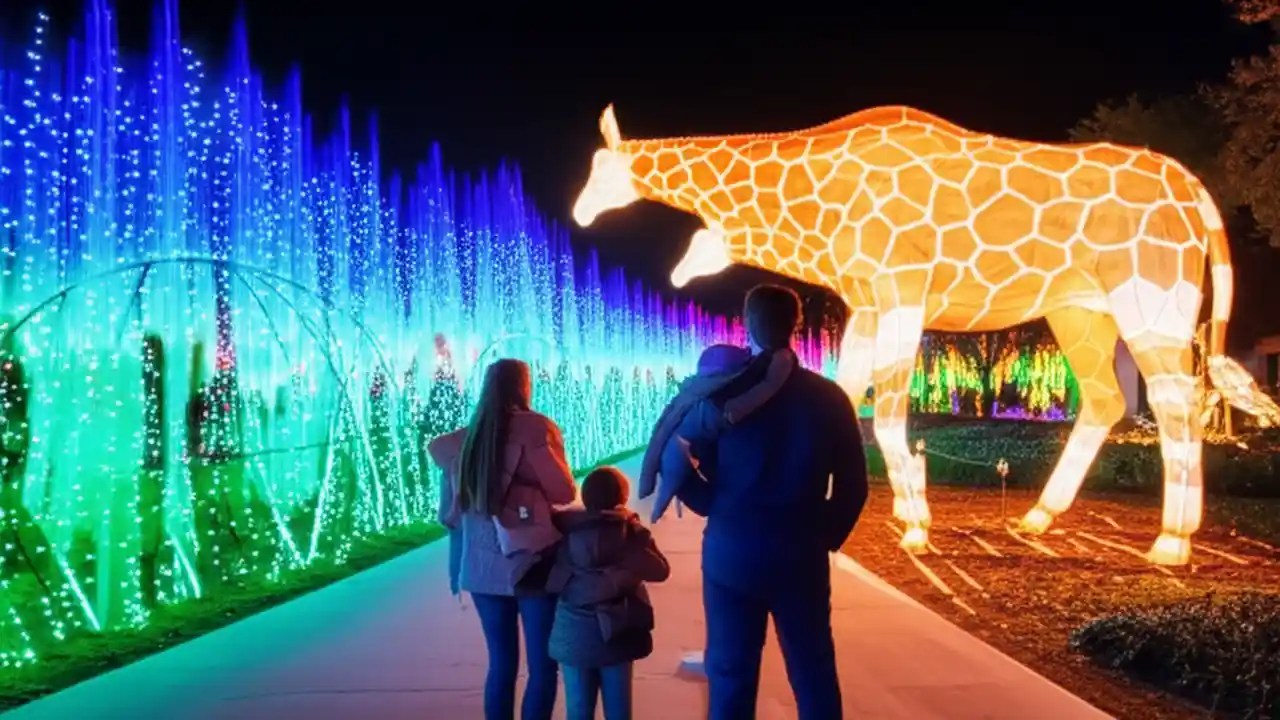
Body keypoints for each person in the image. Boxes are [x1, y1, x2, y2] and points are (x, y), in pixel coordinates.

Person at [661, 284, 869, 720]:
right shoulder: (830, 398)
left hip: (731, 556)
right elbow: (853, 488)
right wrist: (821, 538)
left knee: (731, 677)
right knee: (813, 674)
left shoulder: (723, 395)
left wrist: (713, 507)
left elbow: (685, 471)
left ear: (746, 323)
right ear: (797, 325)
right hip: (800, 556)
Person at [428, 358, 577, 720]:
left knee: (501, 665)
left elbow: (449, 515)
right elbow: (563, 491)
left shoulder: (464, 441)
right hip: (533, 561)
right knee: (543, 665)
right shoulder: (535, 429)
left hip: (481, 568)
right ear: (524, 386)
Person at [547, 466, 670, 720]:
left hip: (573, 633)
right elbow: (659, 570)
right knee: (618, 710)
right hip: (616, 632)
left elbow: (552, 579)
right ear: (622, 498)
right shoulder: (629, 534)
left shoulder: (563, 531)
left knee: (578, 709)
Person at [637, 343, 795, 524]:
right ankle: (660, 505)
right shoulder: (745, 389)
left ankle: (659, 506)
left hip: (729, 522)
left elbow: (661, 433)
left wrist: (647, 484)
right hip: (765, 511)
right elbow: (765, 387)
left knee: (674, 463)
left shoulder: (699, 400)